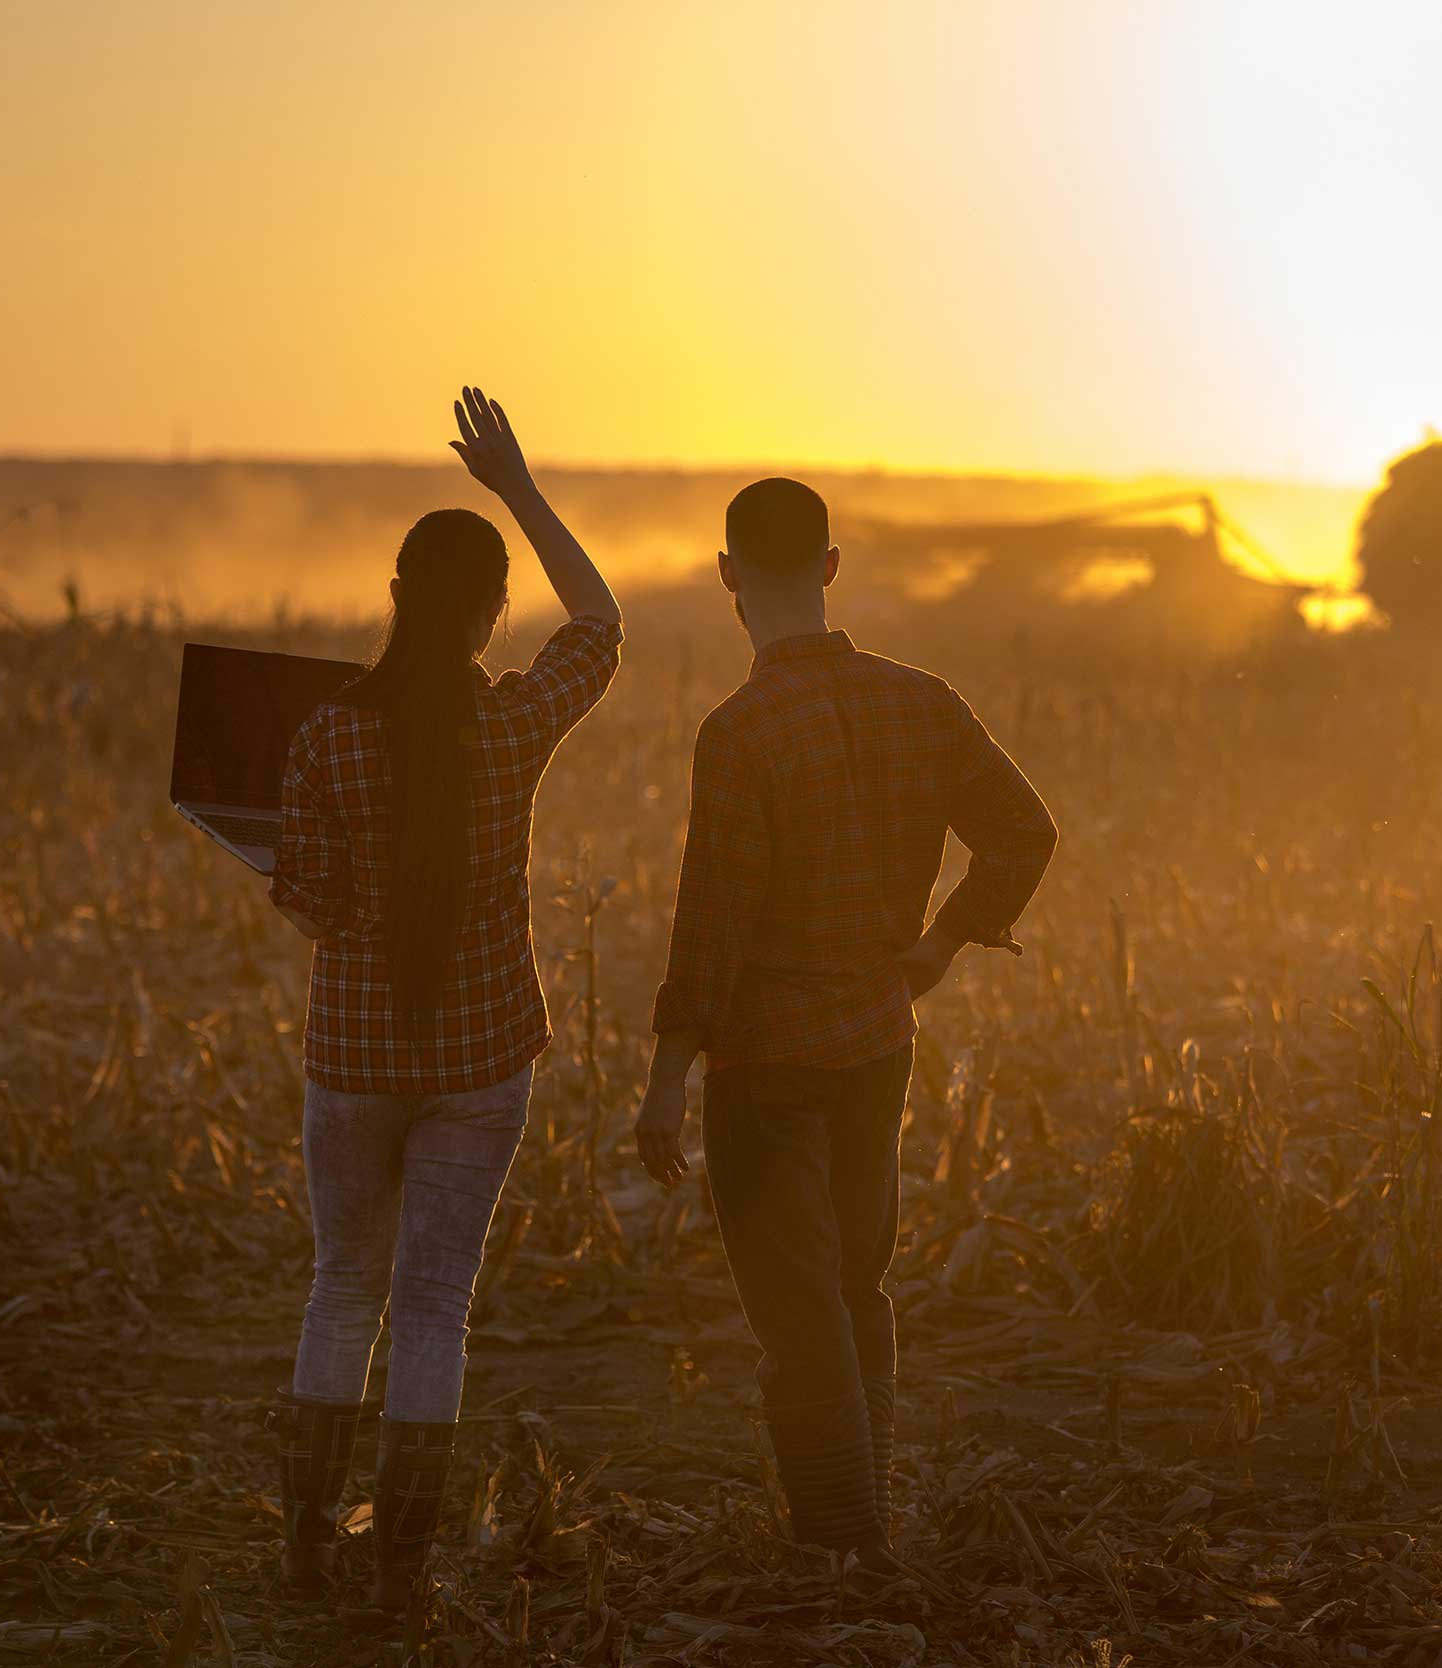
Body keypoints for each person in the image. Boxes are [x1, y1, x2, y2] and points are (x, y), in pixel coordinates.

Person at [635, 477, 1057, 1574]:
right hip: (879, 1043)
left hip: (767, 1062)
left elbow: (712, 925)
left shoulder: (740, 732)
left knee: (795, 1310)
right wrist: (942, 944)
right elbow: (1024, 832)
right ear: (832, 566)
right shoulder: (923, 701)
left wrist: (668, 1078)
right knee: (857, 1286)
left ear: (727, 577)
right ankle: (865, 1522)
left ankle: (840, 1536)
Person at [266, 389, 621, 1612]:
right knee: (432, 1310)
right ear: (486, 615)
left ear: (396, 599)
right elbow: (605, 622)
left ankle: (308, 1548)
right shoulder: (513, 723)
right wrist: (516, 487)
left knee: (342, 1289)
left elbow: (305, 903)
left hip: (352, 1060)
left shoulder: (323, 739)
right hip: (482, 1059)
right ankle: (399, 1573)